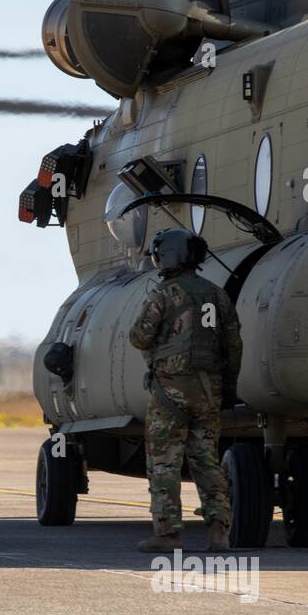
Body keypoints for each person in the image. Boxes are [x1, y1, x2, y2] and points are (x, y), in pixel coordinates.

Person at [129, 229, 242, 552]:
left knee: (164, 461)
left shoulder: (163, 295)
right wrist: (227, 388)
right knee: (207, 461)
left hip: (169, 393)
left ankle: (168, 534)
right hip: (210, 393)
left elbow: (139, 338)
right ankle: (219, 532)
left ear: (168, 256)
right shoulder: (218, 295)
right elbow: (234, 346)